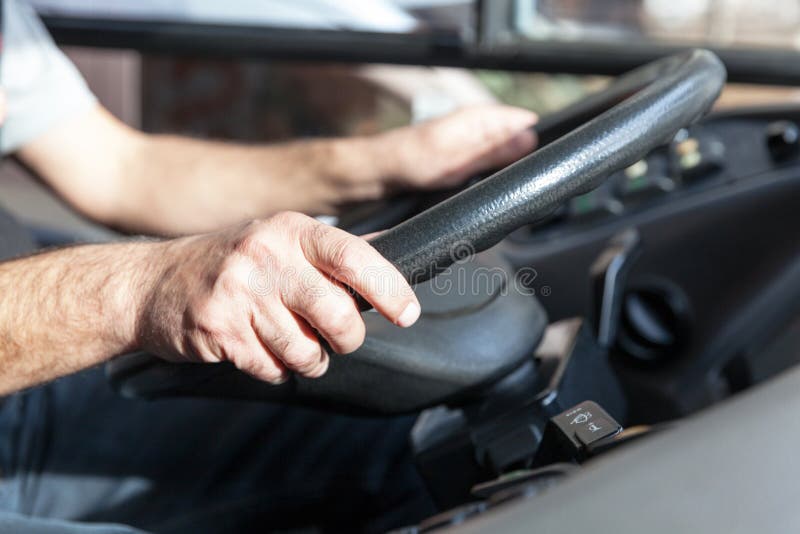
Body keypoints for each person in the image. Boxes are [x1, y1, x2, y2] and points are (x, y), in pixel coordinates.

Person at [0, 0, 538, 532]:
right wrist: (145, 288)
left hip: (44, 382)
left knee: (417, 443)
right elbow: (139, 267)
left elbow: (120, 169)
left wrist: (387, 161)